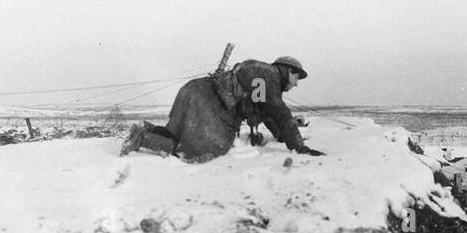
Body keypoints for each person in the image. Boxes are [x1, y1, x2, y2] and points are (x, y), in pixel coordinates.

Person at [120, 56, 325, 162]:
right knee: (206, 150)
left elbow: (266, 111)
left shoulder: (263, 75)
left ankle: (146, 130)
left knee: (179, 133)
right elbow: (279, 112)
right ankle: (141, 139)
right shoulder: (270, 76)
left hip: (195, 90)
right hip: (204, 99)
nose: (296, 84)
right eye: (297, 77)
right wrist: (300, 147)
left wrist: (282, 136)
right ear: (289, 70)